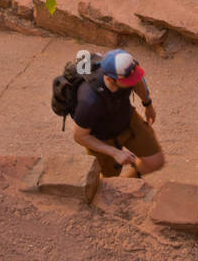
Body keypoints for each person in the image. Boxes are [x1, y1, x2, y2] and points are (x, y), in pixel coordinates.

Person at [70, 48, 165, 177]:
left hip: (128, 120)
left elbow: (137, 81)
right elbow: (79, 136)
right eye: (128, 81)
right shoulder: (90, 101)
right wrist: (115, 152)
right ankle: (120, 187)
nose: (132, 80)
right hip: (102, 138)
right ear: (109, 79)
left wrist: (147, 104)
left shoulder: (127, 70)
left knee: (155, 162)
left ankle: (127, 182)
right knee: (110, 179)